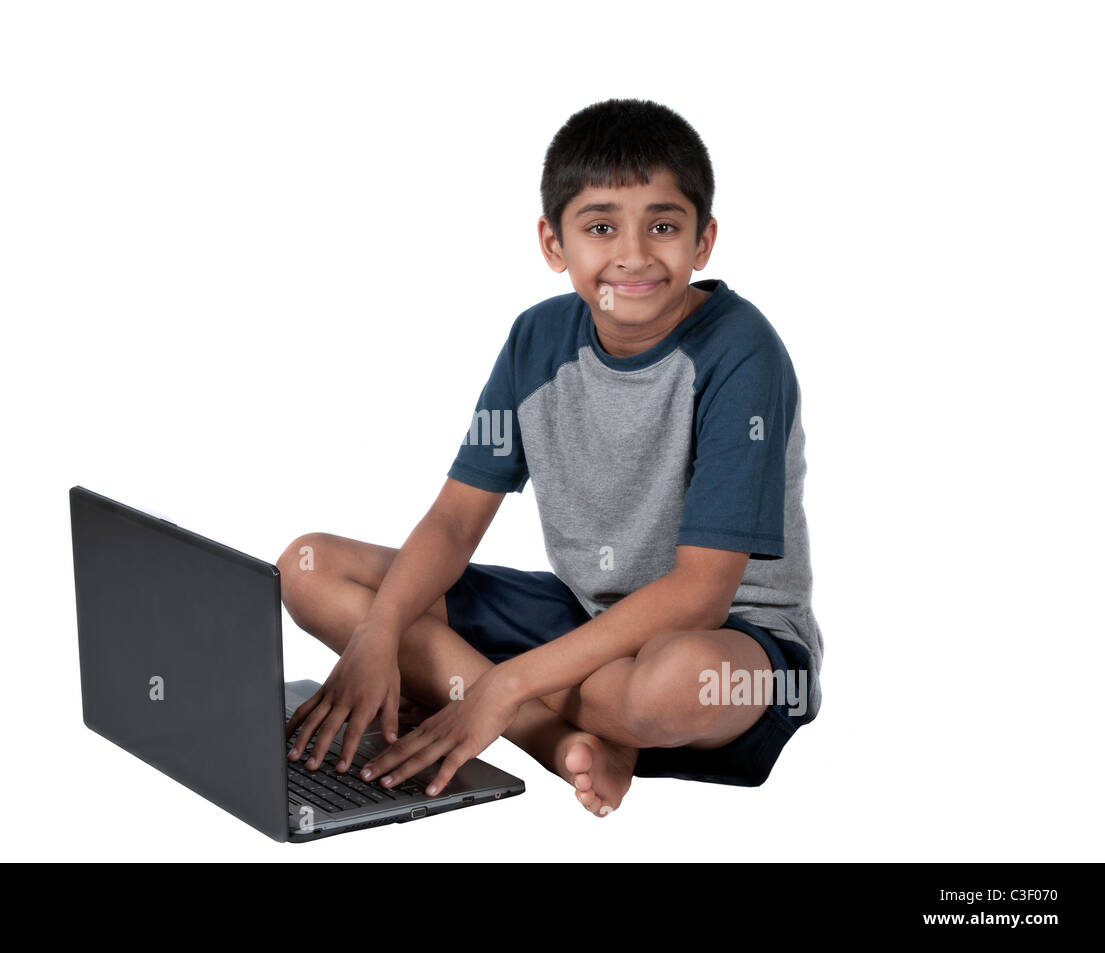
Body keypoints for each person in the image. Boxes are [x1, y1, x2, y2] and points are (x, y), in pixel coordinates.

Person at [278, 98, 823, 817]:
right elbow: (452, 522)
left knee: (677, 683)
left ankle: (490, 698)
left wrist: (502, 684)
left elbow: (700, 593)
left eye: (663, 225)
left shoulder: (741, 350)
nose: (632, 254)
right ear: (553, 242)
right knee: (309, 568)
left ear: (704, 240)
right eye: (601, 227)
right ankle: (559, 738)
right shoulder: (536, 341)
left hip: (733, 649)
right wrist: (379, 635)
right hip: (583, 616)